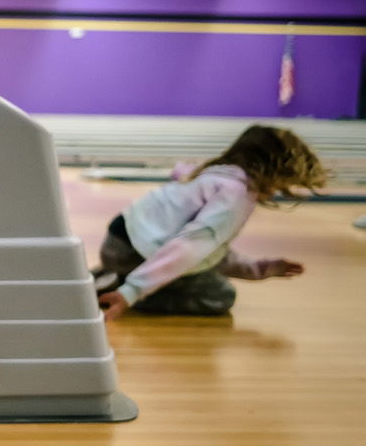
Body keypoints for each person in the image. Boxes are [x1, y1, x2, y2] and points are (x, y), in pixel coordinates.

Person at [93, 125, 327, 320]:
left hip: (119, 241)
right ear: (271, 170)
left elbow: (209, 252)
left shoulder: (216, 175)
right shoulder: (236, 194)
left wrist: (258, 269)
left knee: (202, 267)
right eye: (280, 184)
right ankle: (116, 286)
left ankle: (112, 275)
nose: (276, 192)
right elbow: (191, 246)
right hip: (135, 252)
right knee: (219, 295)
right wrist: (131, 291)